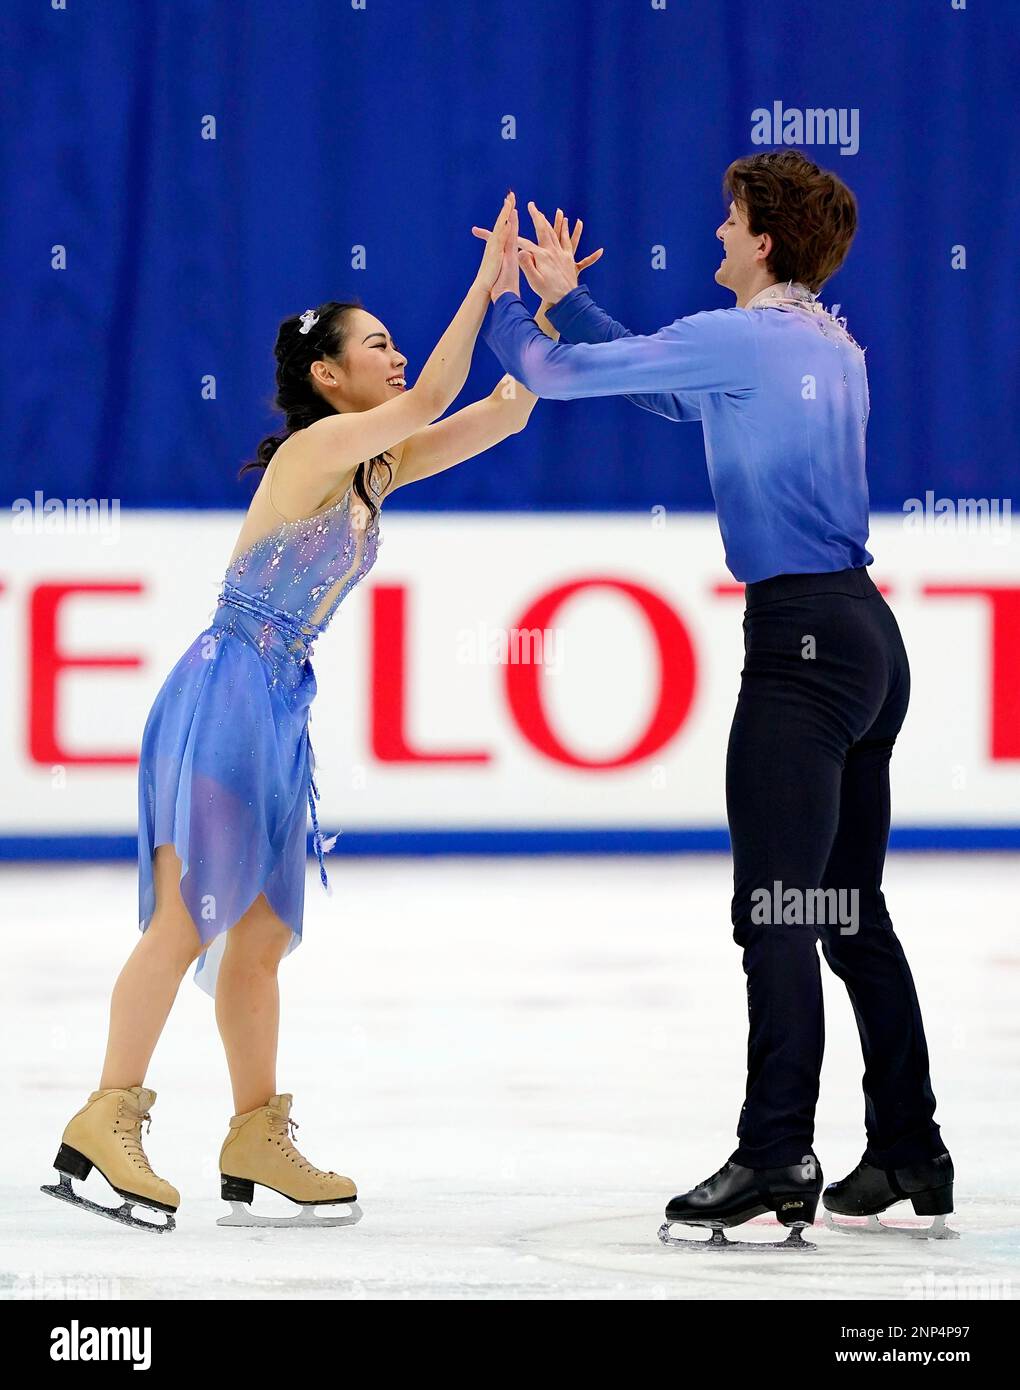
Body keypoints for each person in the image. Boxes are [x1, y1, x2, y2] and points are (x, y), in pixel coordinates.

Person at [42, 191, 555, 1232]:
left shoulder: (373, 465)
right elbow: (429, 400)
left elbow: (500, 411)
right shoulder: (310, 455)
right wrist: (483, 280)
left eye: (397, 342)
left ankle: (252, 1133)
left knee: (264, 934)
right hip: (226, 687)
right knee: (189, 917)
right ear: (329, 377)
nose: (400, 355)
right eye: (379, 344)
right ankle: (107, 1113)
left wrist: (539, 312)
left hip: (279, 702)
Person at [479, 152, 954, 1248]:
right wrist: (572, 297)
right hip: (864, 635)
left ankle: (778, 1145)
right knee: (845, 911)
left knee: (776, 912)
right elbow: (660, 384)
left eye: (731, 221)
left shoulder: (747, 338)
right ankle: (910, 1146)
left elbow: (557, 379)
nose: (716, 234)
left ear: (766, 242)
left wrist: (511, 305)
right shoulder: (825, 342)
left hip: (798, 643)